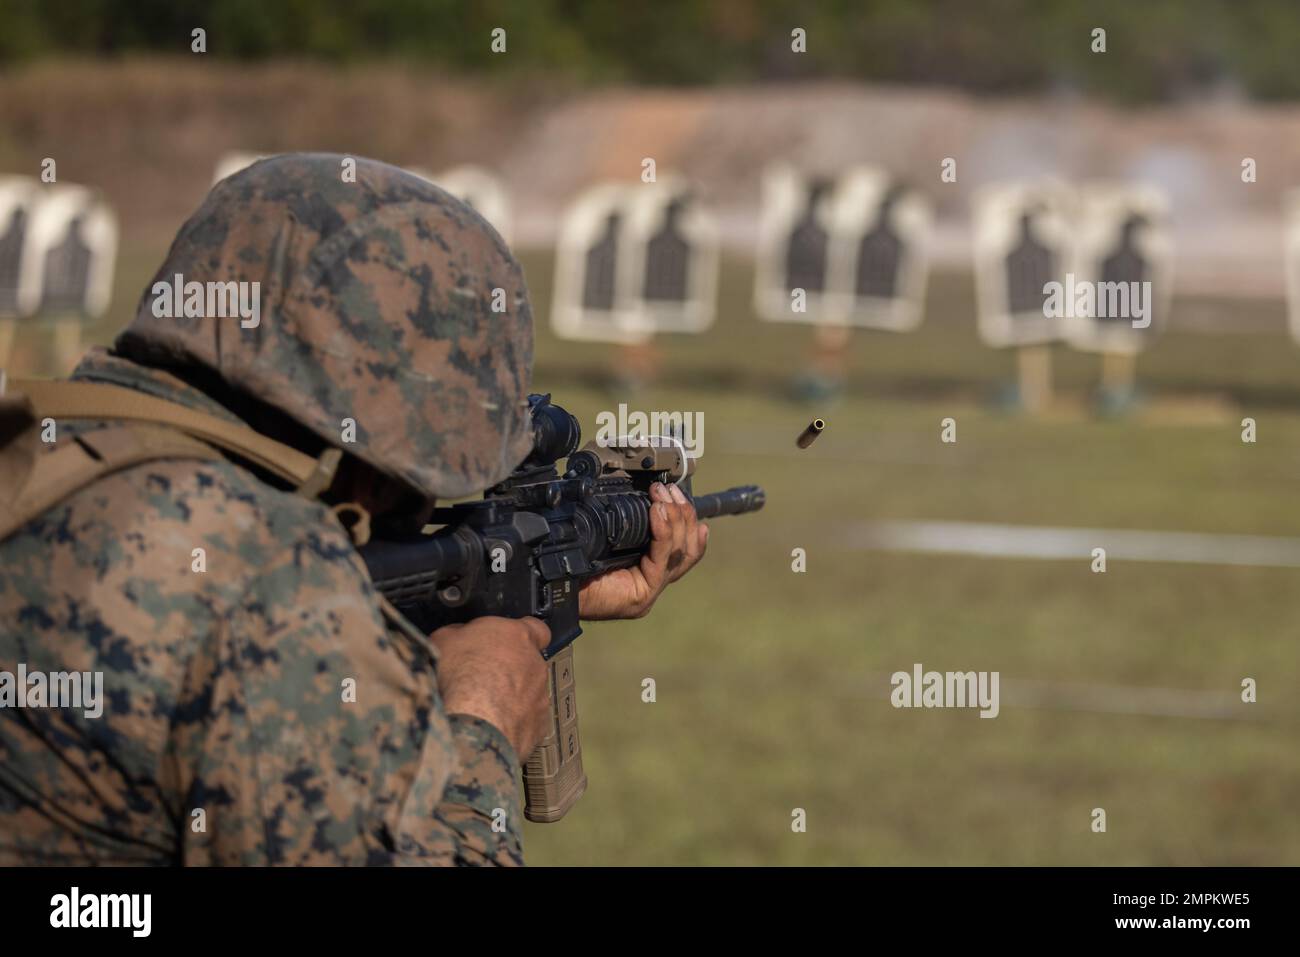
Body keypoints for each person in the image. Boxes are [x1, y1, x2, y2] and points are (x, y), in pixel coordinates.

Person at [0, 153, 708, 865]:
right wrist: (480, 719)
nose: (422, 507)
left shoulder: (50, 454)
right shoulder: (268, 582)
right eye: (421, 488)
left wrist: (517, 592)